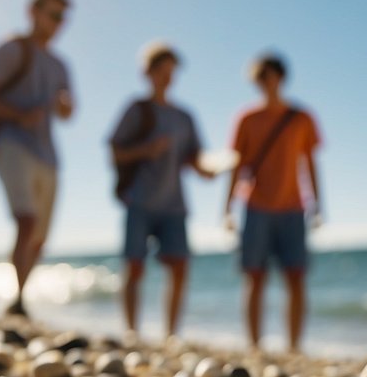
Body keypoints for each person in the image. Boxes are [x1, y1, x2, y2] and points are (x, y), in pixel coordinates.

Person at [0, 0, 74, 317]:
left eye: (63, 18)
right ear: (34, 12)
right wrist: (18, 115)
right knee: (26, 221)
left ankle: (19, 297)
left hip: (49, 155)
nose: (59, 23)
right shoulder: (12, 49)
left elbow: (68, 113)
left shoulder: (60, 65)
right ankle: (19, 298)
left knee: (40, 235)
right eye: (53, 14)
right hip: (12, 142)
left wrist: (63, 105)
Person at [109, 43, 213, 338]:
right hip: (140, 199)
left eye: (172, 72)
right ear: (149, 72)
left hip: (174, 203)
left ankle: (171, 334)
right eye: (162, 71)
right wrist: (147, 149)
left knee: (179, 266)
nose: (167, 78)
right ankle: (132, 331)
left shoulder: (184, 116)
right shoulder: (136, 109)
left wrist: (208, 169)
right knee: (135, 266)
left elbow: (194, 157)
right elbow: (115, 152)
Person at [224, 53, 322, 352]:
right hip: (255, 207)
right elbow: (236, 165)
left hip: (293, 208)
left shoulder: (302, 118)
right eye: (260, 78)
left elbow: (310, 162)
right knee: (255, 278)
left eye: (269, 75)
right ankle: (255, 346)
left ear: (280, 77)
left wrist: (317, 204)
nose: (265, 83)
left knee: (296, 277)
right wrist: (227, 208)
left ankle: (294, 347)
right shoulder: (247, 118)